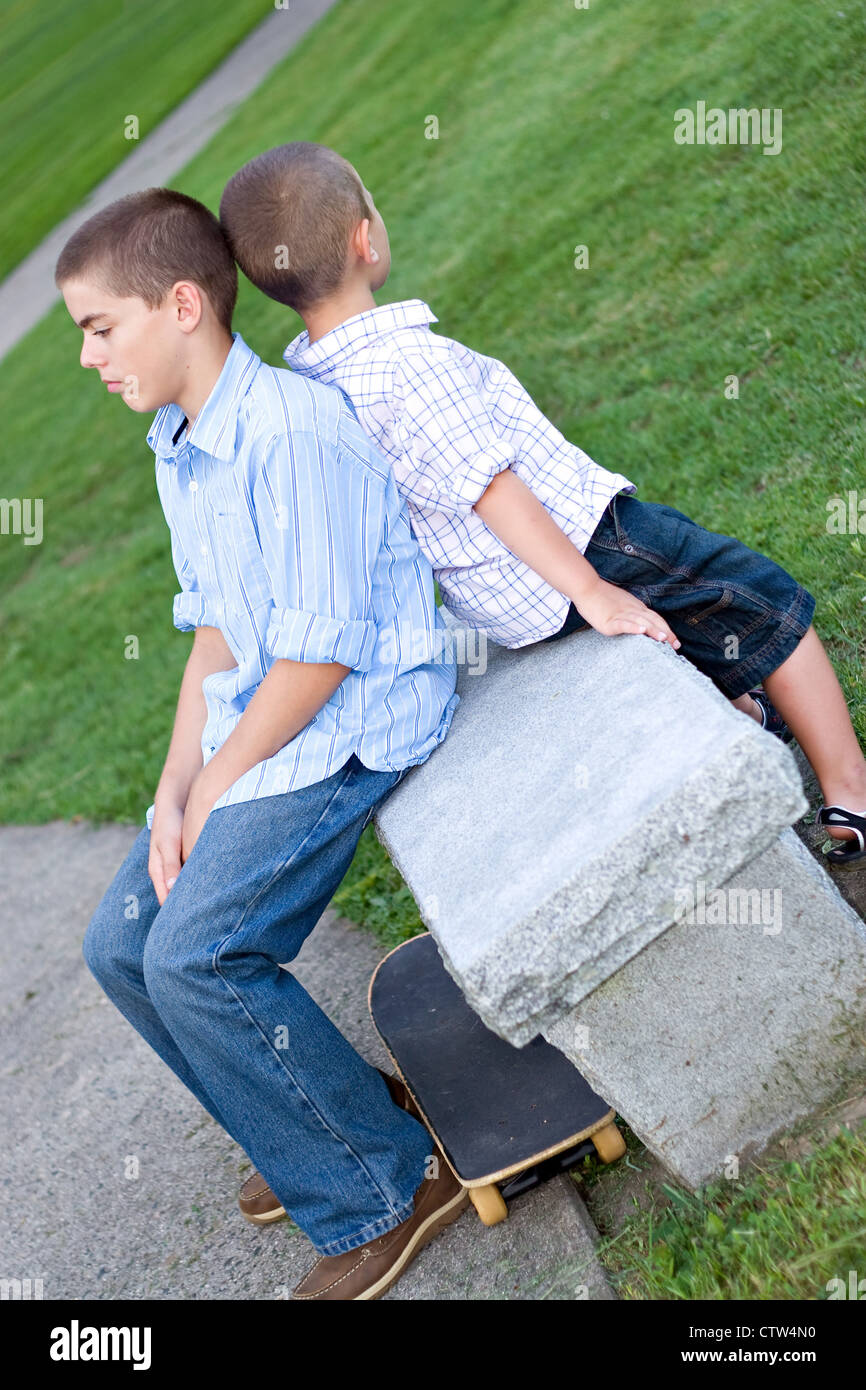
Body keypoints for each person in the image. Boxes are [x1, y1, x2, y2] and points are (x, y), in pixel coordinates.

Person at [218, 141, 866, 872]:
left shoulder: (317, 388)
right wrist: (591, 590)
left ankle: (745, 712)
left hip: (498, 599)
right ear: (365, 239)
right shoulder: (410, 365)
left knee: (687, 610)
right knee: (764, 599)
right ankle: (852, 792)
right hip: (582, 545)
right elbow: (489, 486)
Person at [54, 187, 470, 1302]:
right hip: (268, 730)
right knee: (120, 943)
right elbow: (218, 638)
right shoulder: (180, 442)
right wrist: (171, 789)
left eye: (100, 327)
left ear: (181, 304)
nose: (88, 357)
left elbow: (320, 661)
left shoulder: (292, 434)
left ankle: (383, 1184)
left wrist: (221, 786)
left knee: (194, 956)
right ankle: (324, 1121)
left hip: (354, 722)